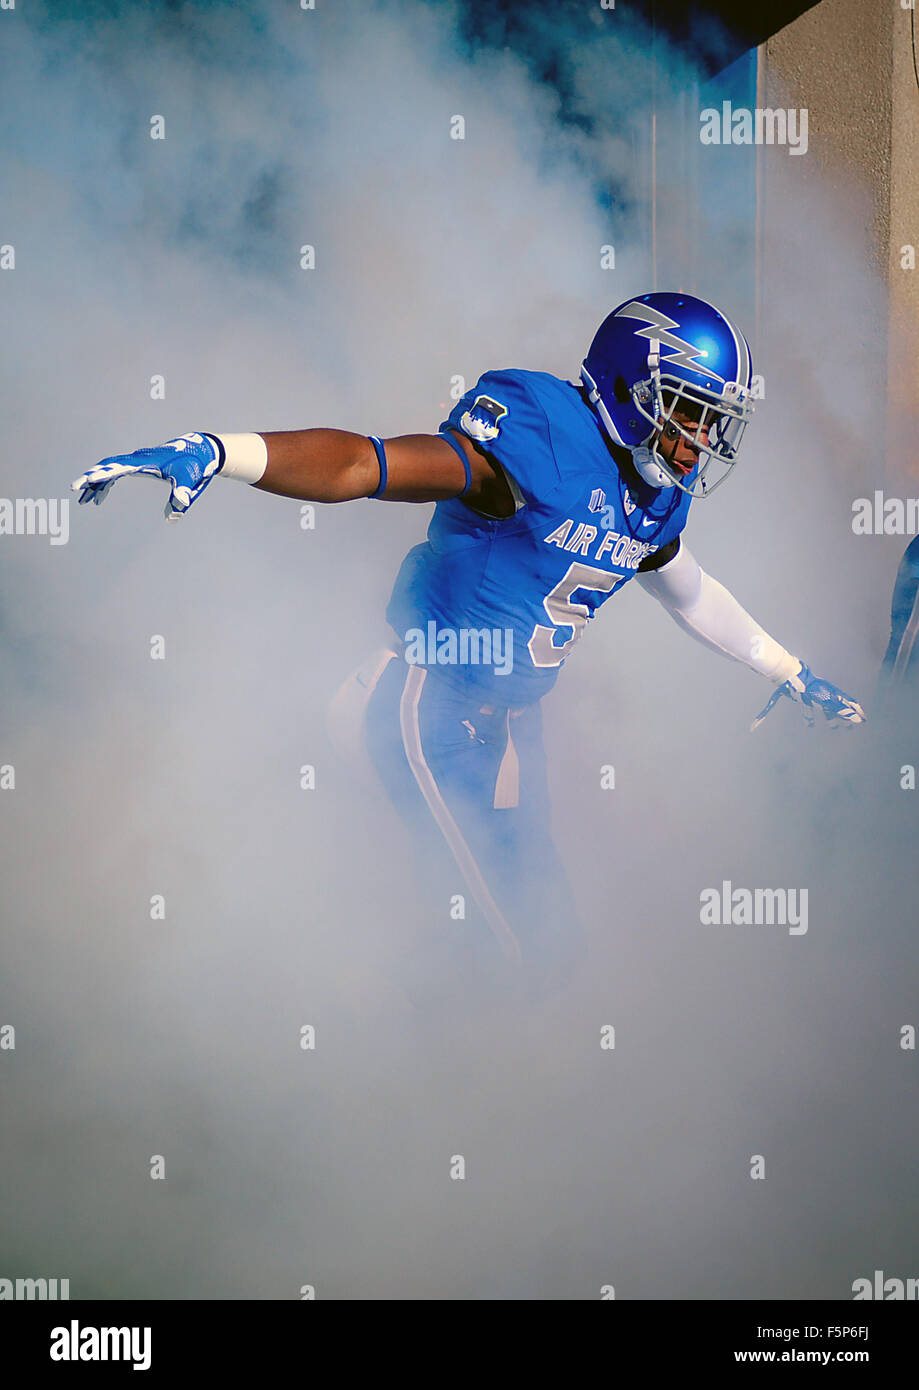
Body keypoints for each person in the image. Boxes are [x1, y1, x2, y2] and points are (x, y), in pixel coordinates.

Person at [71, 292, 866, 994]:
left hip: (513, 724)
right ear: (629, 388)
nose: (700, 439)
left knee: (545, 928)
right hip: (427, 709)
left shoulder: (650, 501)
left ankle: (494, 1095)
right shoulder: (541, 442)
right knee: (506, 947)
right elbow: (364, 464)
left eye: (711, 420)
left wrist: (788, 671)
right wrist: (223, 450)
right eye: (687, 411)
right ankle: (446, 1114)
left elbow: (687, 589)